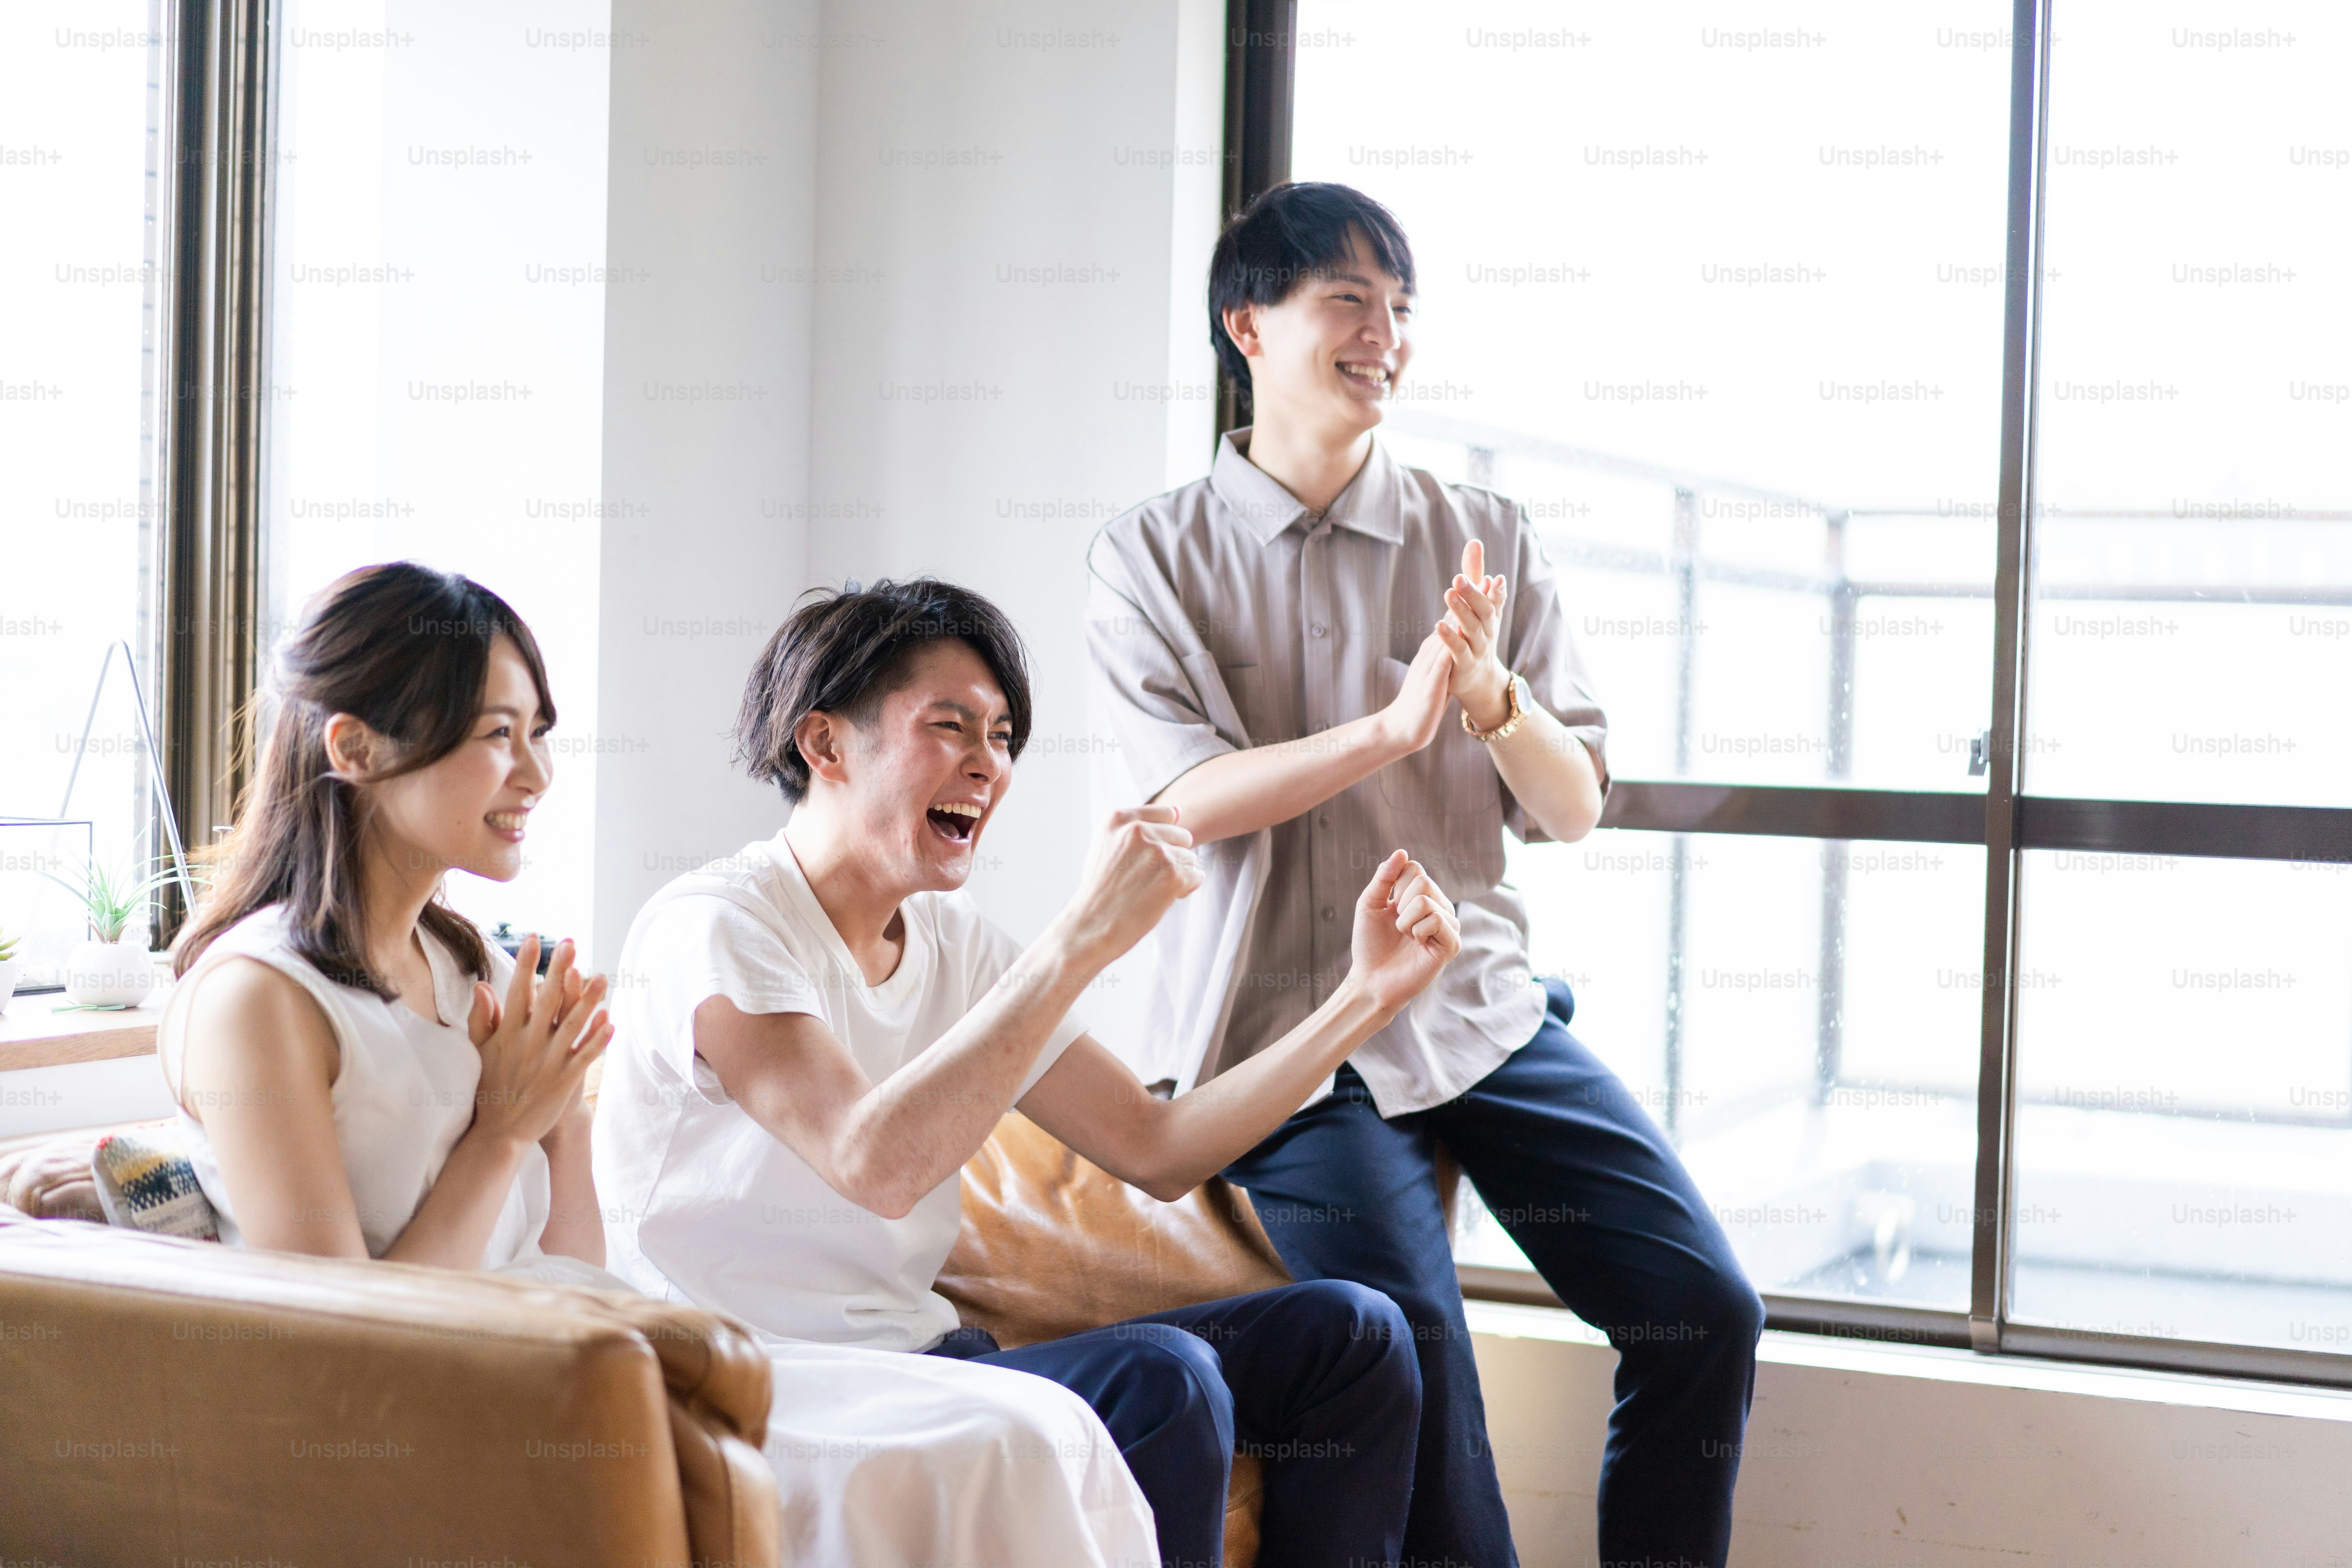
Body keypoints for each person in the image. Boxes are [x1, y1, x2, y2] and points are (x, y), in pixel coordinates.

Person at [158, 562, 1160, 1568]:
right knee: (996, 1445)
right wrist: (505, 1131)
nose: (536, 774)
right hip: (460, 1402)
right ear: (357, 746)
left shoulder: (482, 972)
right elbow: (339, 1351)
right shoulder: (261, 997)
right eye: (498, 734)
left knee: (1032, 1430)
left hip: (582, 1357)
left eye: (538, 733)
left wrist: (557, 1136)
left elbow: (576, 1258)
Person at [1085, 180, 1768, 1568]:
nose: (1382, 335)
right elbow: (1188, 803)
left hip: (1477, 1010)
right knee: (1421, 1348)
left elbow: (1574, 808)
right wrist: (1393, 728)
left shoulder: (1485, 537)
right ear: (1246, 326)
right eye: (1347, 300)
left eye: (1399, 311)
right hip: (1285, 1036)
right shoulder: (1149, 555)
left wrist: (1494, 699)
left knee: (1704, 1311)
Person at [593, 575, 1460, 1568]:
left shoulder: (956, 948)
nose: (987, 765)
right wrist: (1082, 938)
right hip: (766, 1379)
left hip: (926, 1367)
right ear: (825, 743)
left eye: (1002, 737)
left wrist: (1363, 1000)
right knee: (1167, 1381)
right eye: (951, 726)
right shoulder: (718, 924)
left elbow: (1159, 1147)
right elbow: (871, 1158)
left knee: (1353, 1335)